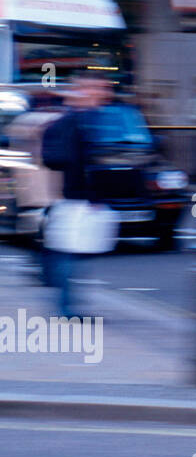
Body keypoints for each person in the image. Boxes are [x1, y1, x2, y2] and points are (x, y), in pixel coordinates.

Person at [39, 69, 114, 317]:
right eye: (99, 88)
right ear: (84, 90)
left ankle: (67, 305)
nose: (104, 93)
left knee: (72, 253)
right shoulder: (75, 122)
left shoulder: (85, 119)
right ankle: (66, 309)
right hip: (75, 197)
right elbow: (76, 162)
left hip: (75, 197)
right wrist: (91, 197)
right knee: (70, 253)